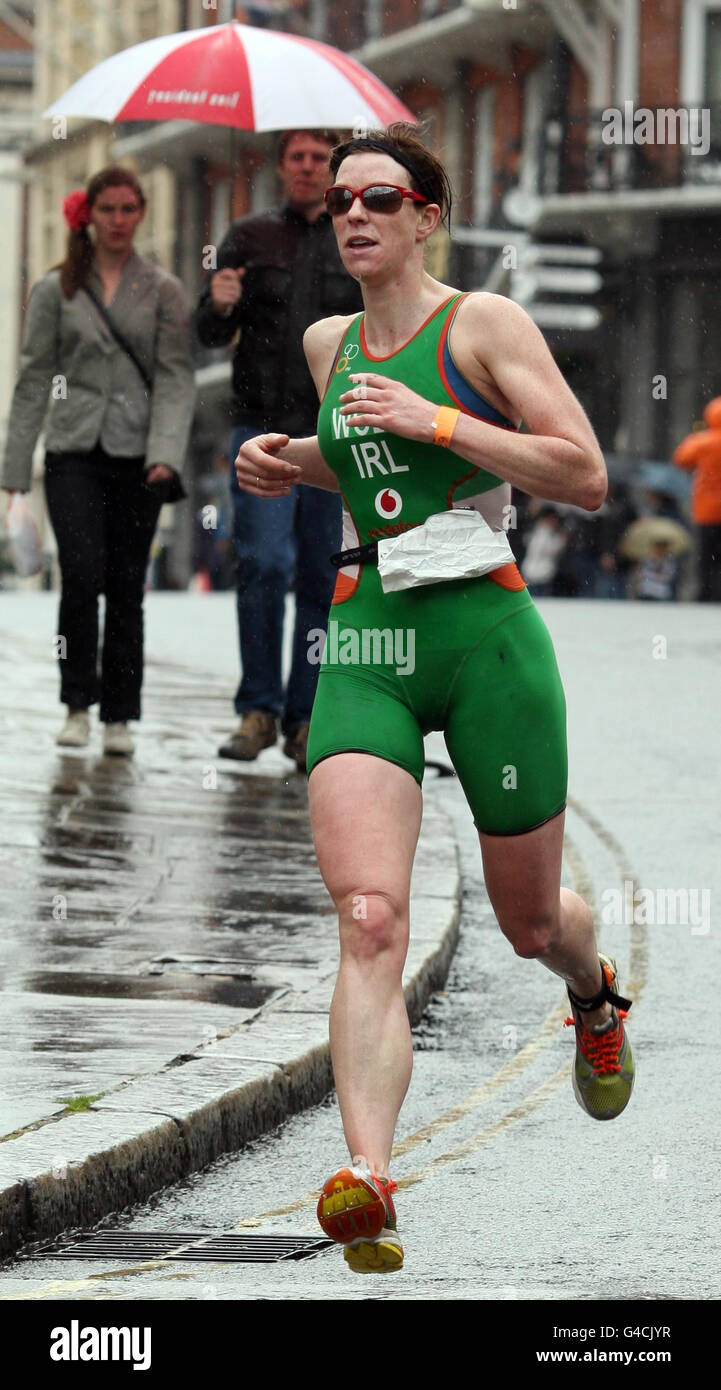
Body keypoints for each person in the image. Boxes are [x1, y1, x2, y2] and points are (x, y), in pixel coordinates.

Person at [234, 124, 635, 1275]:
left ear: (426, 217)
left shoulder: (485, 325)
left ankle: (593, 995)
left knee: (527, 924)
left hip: (487, 632)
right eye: (339, 201)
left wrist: (440, 420)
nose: (353, 215)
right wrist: (292, 463)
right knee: (368, 917)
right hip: (368, 631)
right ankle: (369, 1175)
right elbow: (363, 465)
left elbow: (585, 472)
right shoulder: (327, 343)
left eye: (380, 198)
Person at [1, 166, 195, 755]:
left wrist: (165, 453)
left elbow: (175, 378)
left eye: (127, 209)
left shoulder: (163, 290)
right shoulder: (55, 288)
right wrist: (12, 476)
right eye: (106, 209)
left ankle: (119, 716)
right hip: (71, 451)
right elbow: (33, 378)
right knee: (81, 576)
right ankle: (76, 705)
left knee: (126, 586)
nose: (117, 221)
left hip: (140, 457)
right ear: (88, 215)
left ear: (140, 214)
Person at [195, 129, 363, 770]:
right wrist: (215, 305)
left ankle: (306, 718)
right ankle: (257, 710)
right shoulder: (248, 236)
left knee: (323, 577)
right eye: (295, 157)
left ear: (332, 170)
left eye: (317, 158)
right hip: (259, 425)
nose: (305, 167)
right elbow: (208, 332)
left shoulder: (356, 235)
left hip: (330, 430)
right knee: (261, 563)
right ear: (280, 167)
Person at [673, 398, 721, 601]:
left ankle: (706, 594)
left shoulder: (701, 441)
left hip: (707, 509)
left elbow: (681, 459)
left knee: (707, 557)